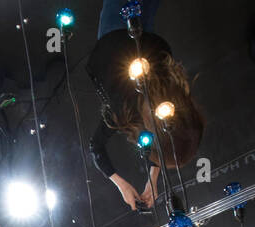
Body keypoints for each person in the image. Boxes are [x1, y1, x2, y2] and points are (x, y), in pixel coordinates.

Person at [87, 0, 204, 211]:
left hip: (137, 36)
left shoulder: (165, 96)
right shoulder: (124, 109)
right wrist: (132, 180)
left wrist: (149, 178)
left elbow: (97, 146)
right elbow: (96, 146)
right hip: (117, 36)